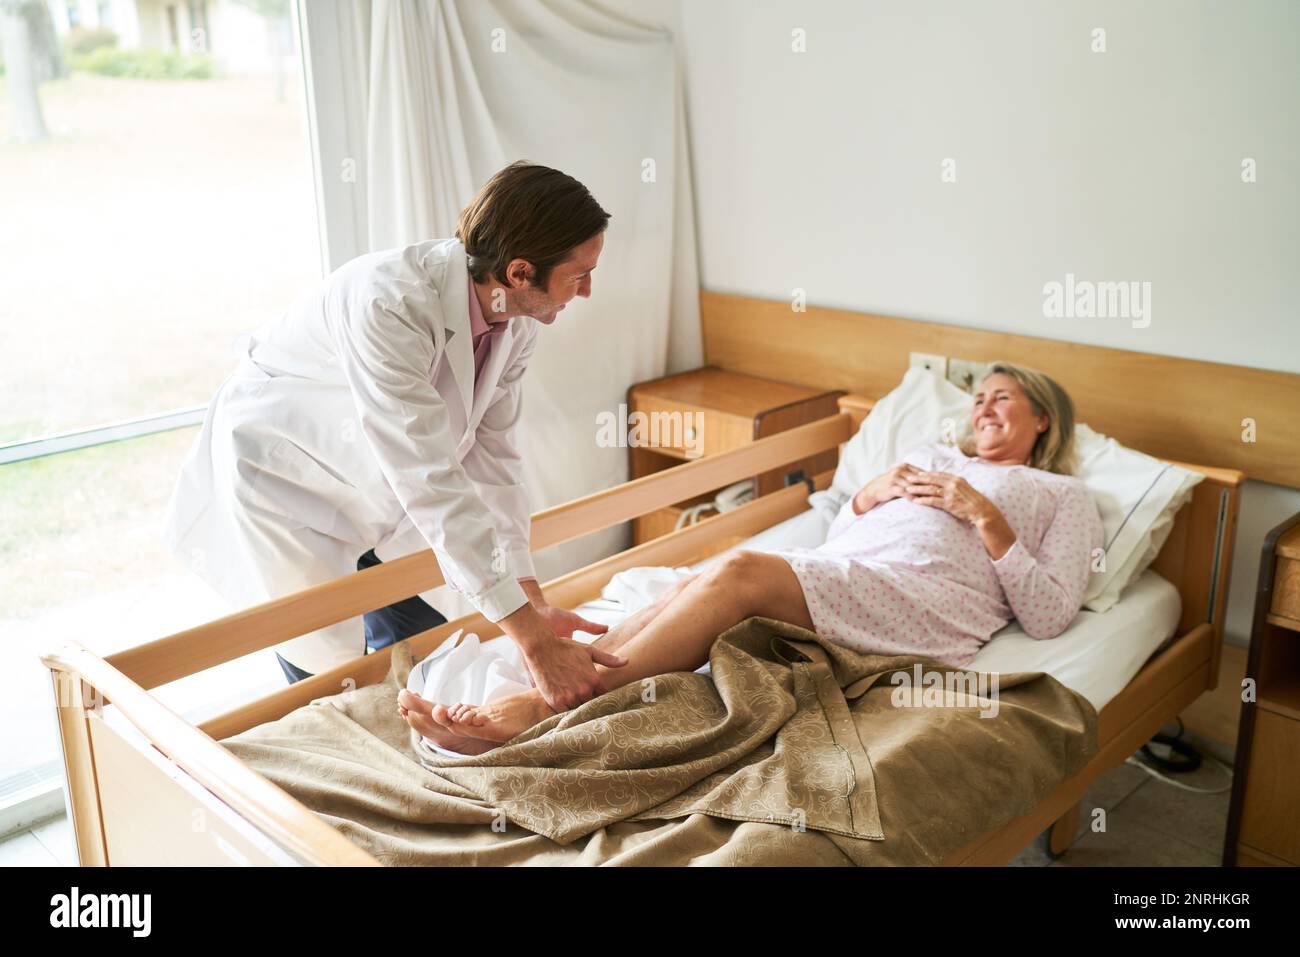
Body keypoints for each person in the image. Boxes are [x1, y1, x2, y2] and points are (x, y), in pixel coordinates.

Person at [397, 361, 1104, 754]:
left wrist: (983, 513)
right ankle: (576, 667)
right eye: (977, 399)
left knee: (738, 571)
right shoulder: (929, 454)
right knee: (701, 579)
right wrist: (870, 496)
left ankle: (548, 705)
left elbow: (1048, 615)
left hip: (927, 604)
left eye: (1002, 399)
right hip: (856, 572)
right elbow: (837, 540)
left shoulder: (1059, 493)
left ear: (1043, 416)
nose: (983, 410)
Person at [164, 161, 626, 707]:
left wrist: (531, 601)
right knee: (334, 683)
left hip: (387, 491)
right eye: (579, 275)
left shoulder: (516, 320)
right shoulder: (390, 302)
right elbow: (429, 476)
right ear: (521, 272)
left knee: (420, 650)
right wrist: (532, 642)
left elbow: (493, 459)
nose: (588, 290)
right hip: (287, 485)